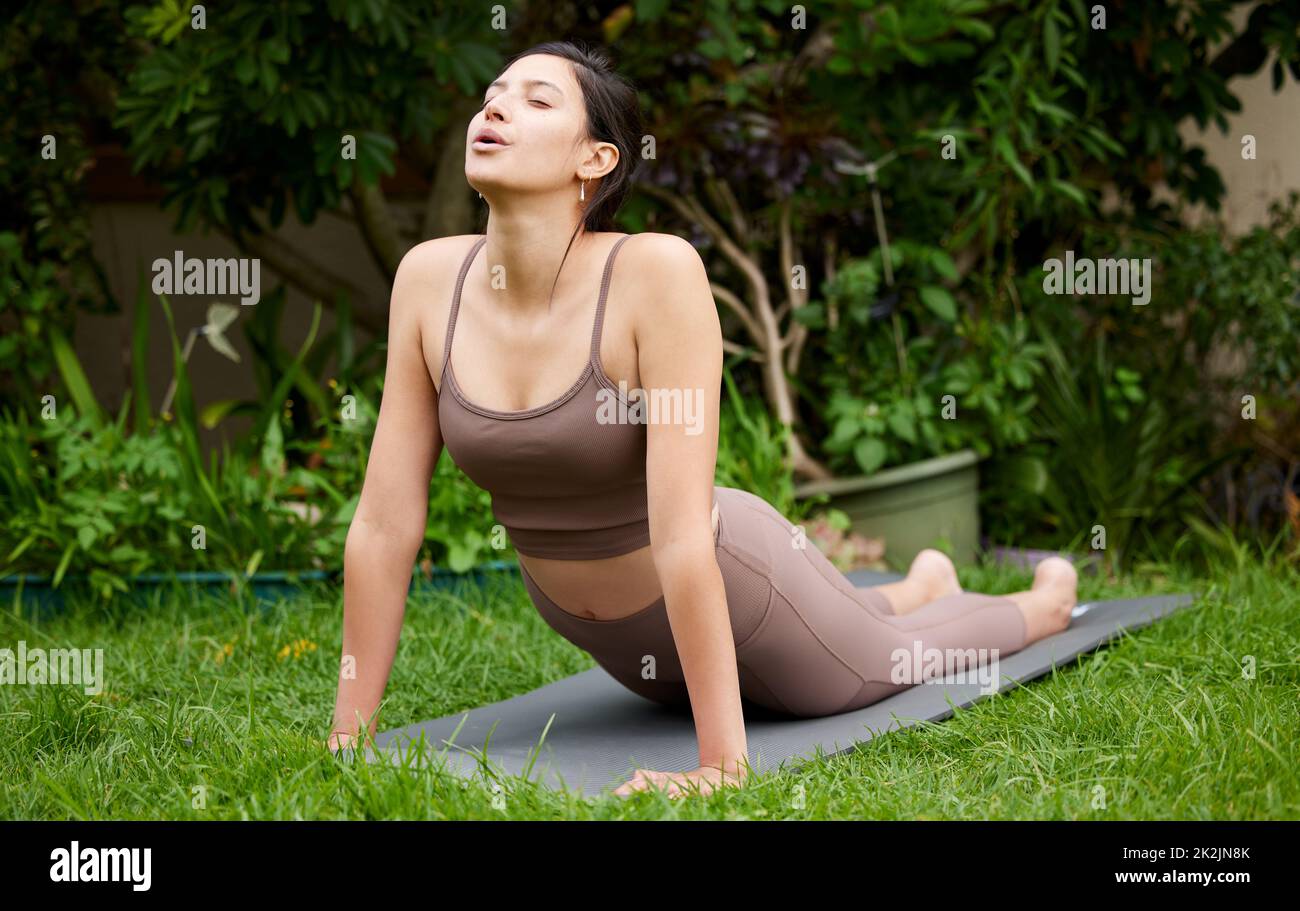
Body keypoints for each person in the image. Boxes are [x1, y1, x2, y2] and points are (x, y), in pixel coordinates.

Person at [328, 40, 1079, 799]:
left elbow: (681, 533)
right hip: (630, 650)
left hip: (737, 582)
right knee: (832, 628)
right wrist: (348, 733)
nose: (494, 107)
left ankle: (1039, 598)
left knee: (888, 658)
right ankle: (921, 580)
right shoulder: (428, 280)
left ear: (595, 159)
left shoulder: (654, 274)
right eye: (493, 92)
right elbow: (386, 525)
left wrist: (721, 763)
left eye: (537, 100)